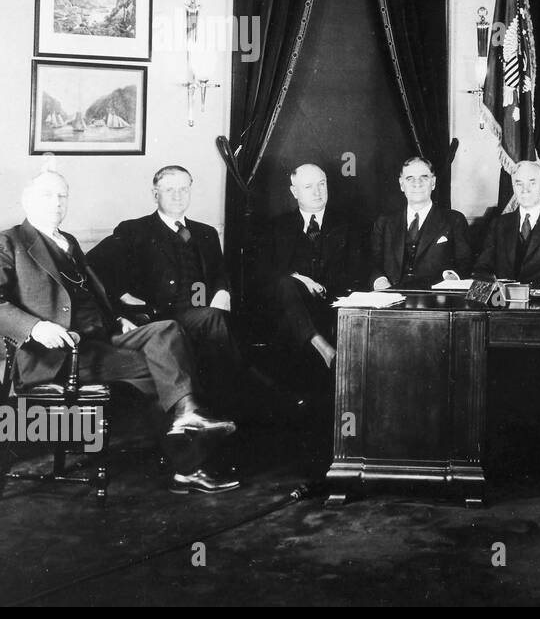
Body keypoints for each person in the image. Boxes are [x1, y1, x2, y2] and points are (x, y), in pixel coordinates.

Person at [0, 172, 238, 493]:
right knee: (162, 368)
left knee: (166, 331)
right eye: (47, 196)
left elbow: (90, 296)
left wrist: (117, 321)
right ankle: (189, 463)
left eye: (62, 196)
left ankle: (187, 417)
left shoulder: (68, 241)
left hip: (99, 340)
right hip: (55, 353)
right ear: (28, 201)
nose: (56, 204)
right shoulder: (9, 241)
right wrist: (35, 327)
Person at [108, 166, 246, 405]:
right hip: (158, 317)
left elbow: (218, 274)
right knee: (214, 321)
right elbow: (94, 269)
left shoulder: (206, 233)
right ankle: (238, 399)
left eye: (183, 189)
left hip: (199, 310)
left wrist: (222, 291)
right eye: (169, 189)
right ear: (155, 195)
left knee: (224, 319)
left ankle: (224, 401)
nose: (177, 195)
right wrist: (122, 298)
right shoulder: (134, 230)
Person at [262, 163, 363, 370]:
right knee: (285, 285)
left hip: (335, 306)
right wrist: (301, 279)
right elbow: (265, 273)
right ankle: (325, 350)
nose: (317, 192)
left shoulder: (350, 224)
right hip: (292, 307)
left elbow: (357, 271)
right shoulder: (277, 226)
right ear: (294, 191)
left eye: (322, 184)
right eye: (308, 187)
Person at [370, 156, 471, 290]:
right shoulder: (384, 222)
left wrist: (451, 278)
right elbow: (372, 262)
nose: (417, 184)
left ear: (433, 182)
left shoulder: (454, 220)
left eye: (424, 177)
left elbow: (466, 262)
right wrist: (380, 282)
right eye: (409, 178)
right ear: (401, 184)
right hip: (391, 299)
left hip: (436, 301)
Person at [472, 161, 540, 283]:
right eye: (519, 184)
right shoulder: (498, 224)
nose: (525, 190)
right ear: (514, 188)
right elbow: (482, 268)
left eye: (532, 183)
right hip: (503, 299)